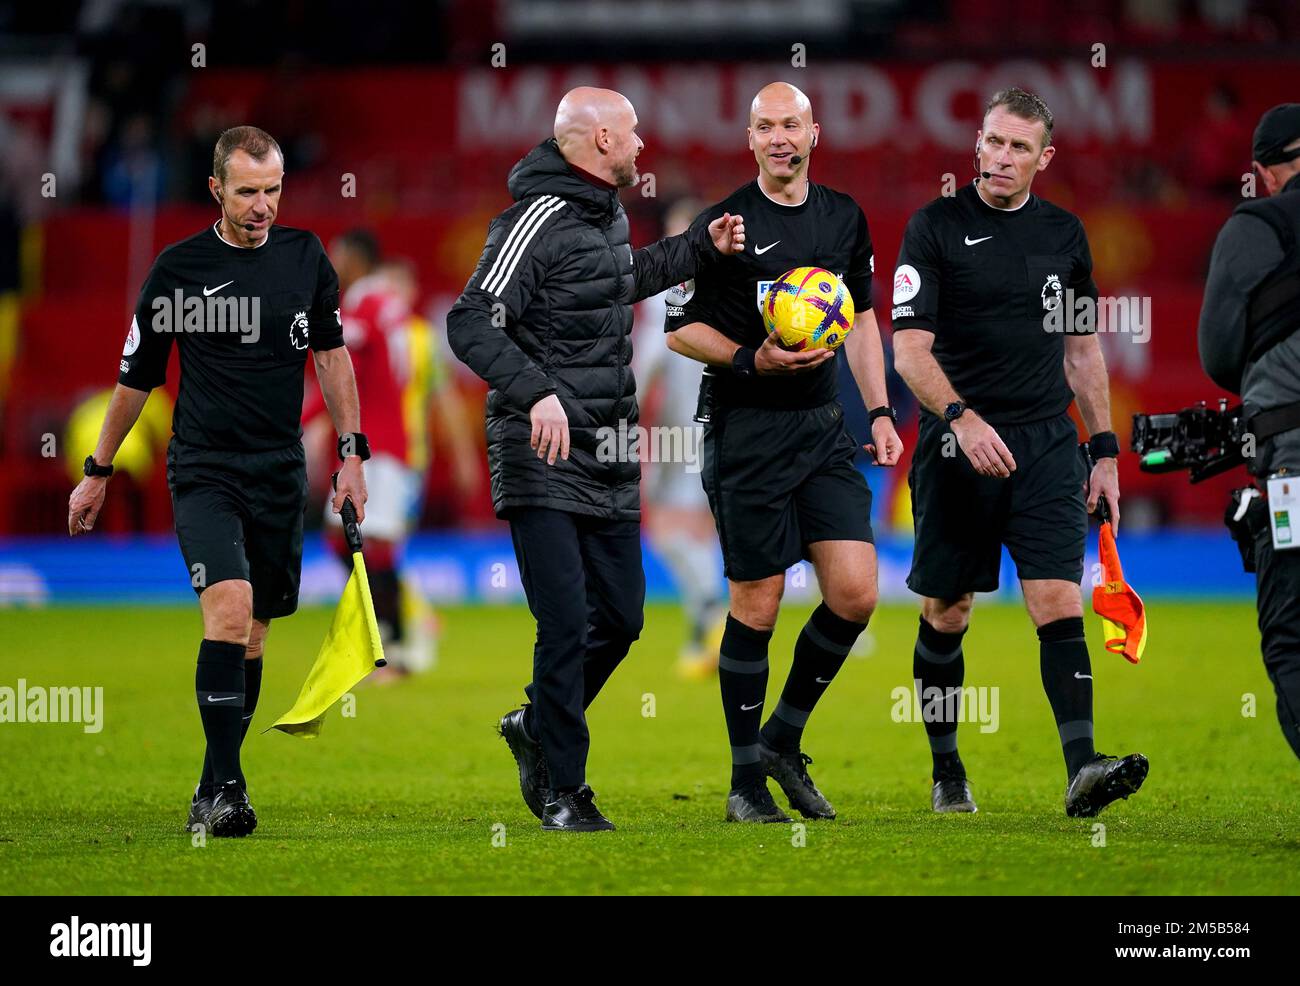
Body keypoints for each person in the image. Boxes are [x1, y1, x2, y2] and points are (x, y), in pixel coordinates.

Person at [446, 87, 745, 832]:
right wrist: (536, 392)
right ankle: (563, 791)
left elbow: (622, 283)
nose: (644, 146)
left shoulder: (603, 215)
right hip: (541, 448)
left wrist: (700, 245)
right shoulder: (534, 219)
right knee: (567, 620)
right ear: (601, 138)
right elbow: (470, 320)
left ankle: (536, 725)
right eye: (634, 132)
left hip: (607, 453)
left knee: (622, 616)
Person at [66, 126, 368, 837]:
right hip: (204, 468)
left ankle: (210, 782)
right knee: (229, 610)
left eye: (272, 191)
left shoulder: (305, 258)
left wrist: (353, 455)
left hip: (278, 471)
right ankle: (232, 786)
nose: (262, 206)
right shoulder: (177, 269)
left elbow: (332, 359)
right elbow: (136, 379)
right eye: (247, 192)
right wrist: (98, 471)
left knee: (256, 636)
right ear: (215, 190)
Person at [891, 87, 1147, 817]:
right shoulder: (935, 227)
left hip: (1043, 445)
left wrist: (1103, 451)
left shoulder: (1064, 235)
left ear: (1045, 157)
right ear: (977, 141)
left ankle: (1081, 767)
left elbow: (1081, 348)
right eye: (993, 143)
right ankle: (947, 770)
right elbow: (909, 351)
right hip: (956, 445)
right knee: (949, 610)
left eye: (1019, 148)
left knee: (1058, 598)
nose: (1002, 158)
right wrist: (962, 421)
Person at [665, 82, 903, 823]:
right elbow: (680, 328)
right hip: (747, 433)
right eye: (765, 125)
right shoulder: (725, 225)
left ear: (813, 134)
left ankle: (782, 737)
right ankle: (742, 784)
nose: (778, 137)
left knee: (857, 591)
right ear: (749, 139)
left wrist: (882, 409)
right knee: (757, 604)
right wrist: (750, 360)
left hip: (824, 428)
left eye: (790, 124)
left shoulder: (842, 217)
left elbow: (861, 319)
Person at [1199, 102, 1300, 762]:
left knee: (1292, 635)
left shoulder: (1257, 225)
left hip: (1294, 464)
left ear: (1264, 173)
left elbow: (1219, 351)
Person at [304, 229, 414, 673]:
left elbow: (342, 373)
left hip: (376, 445)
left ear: (358, 259)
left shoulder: (362, 306)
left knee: (375, 543)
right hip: (374, 441)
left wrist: (304, 416)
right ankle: (386, 630)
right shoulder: (383, 303)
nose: (333, 263)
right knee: (342, 538)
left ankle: (398, 642)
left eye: (339, 255)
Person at [631, 198, 728, 681]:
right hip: (720, 421)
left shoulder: (665, 288)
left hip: (680, 430)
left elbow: (650, 359)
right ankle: (706, 629)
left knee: (671, 531)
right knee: (701, 531)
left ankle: (713, 617)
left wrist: (625, 416)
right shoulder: (728, 281)